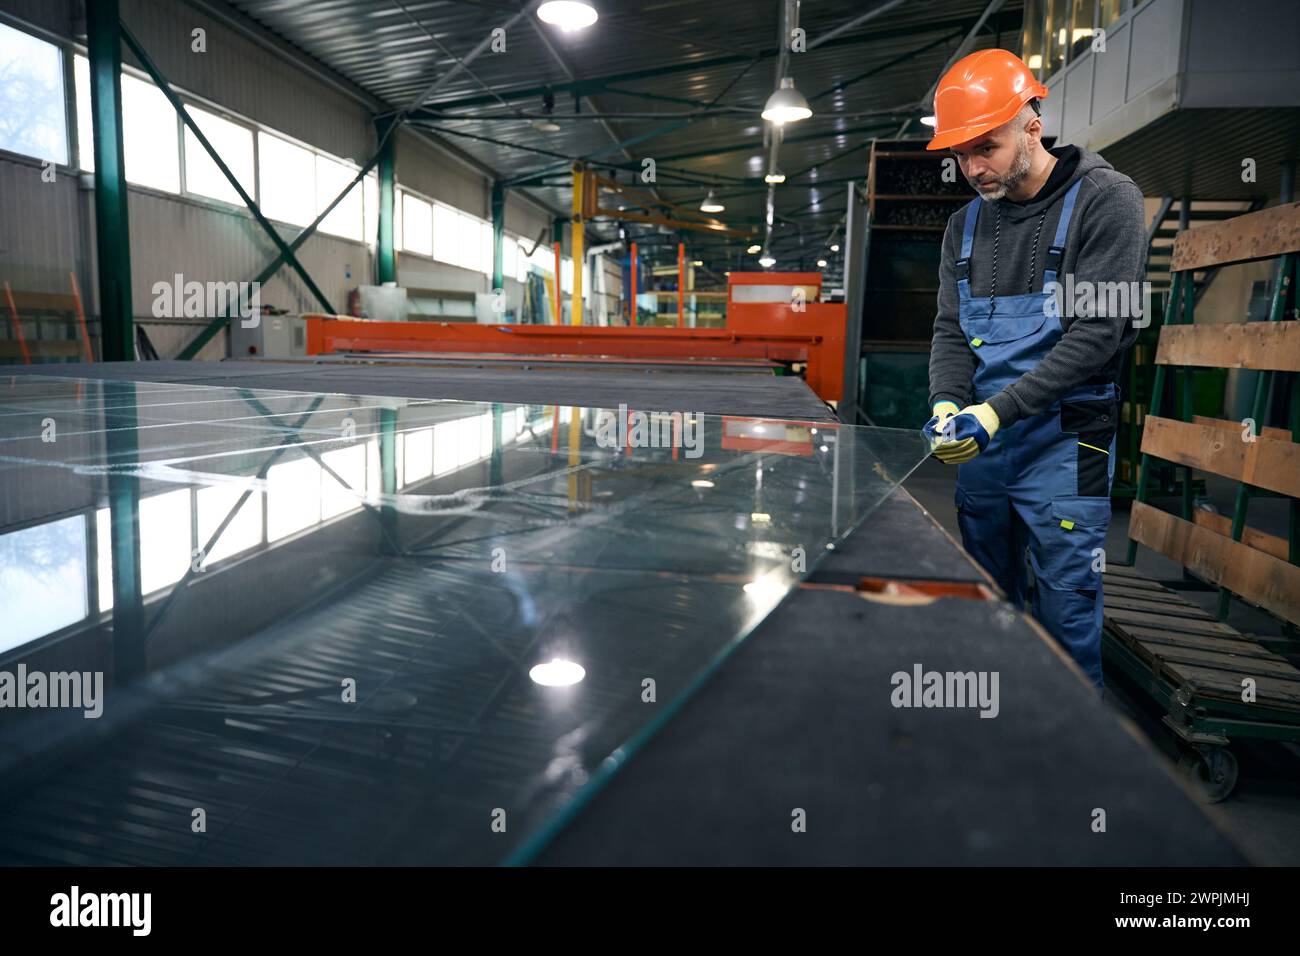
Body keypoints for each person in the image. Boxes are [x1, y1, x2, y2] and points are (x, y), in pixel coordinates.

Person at [922, 49, 1146, 688]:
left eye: (984, 147)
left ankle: (1075, 767)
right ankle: (1003, 745)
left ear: (1031, 121)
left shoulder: (1107, 201)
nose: (971, 169)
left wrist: (994, 411)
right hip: (986, 444)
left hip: (1067, 438)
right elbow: (950, 330)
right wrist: (946, 402)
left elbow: (1096, 337)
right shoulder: (964, 226)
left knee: (1065, 602)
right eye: (958, 155)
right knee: (990, 604)